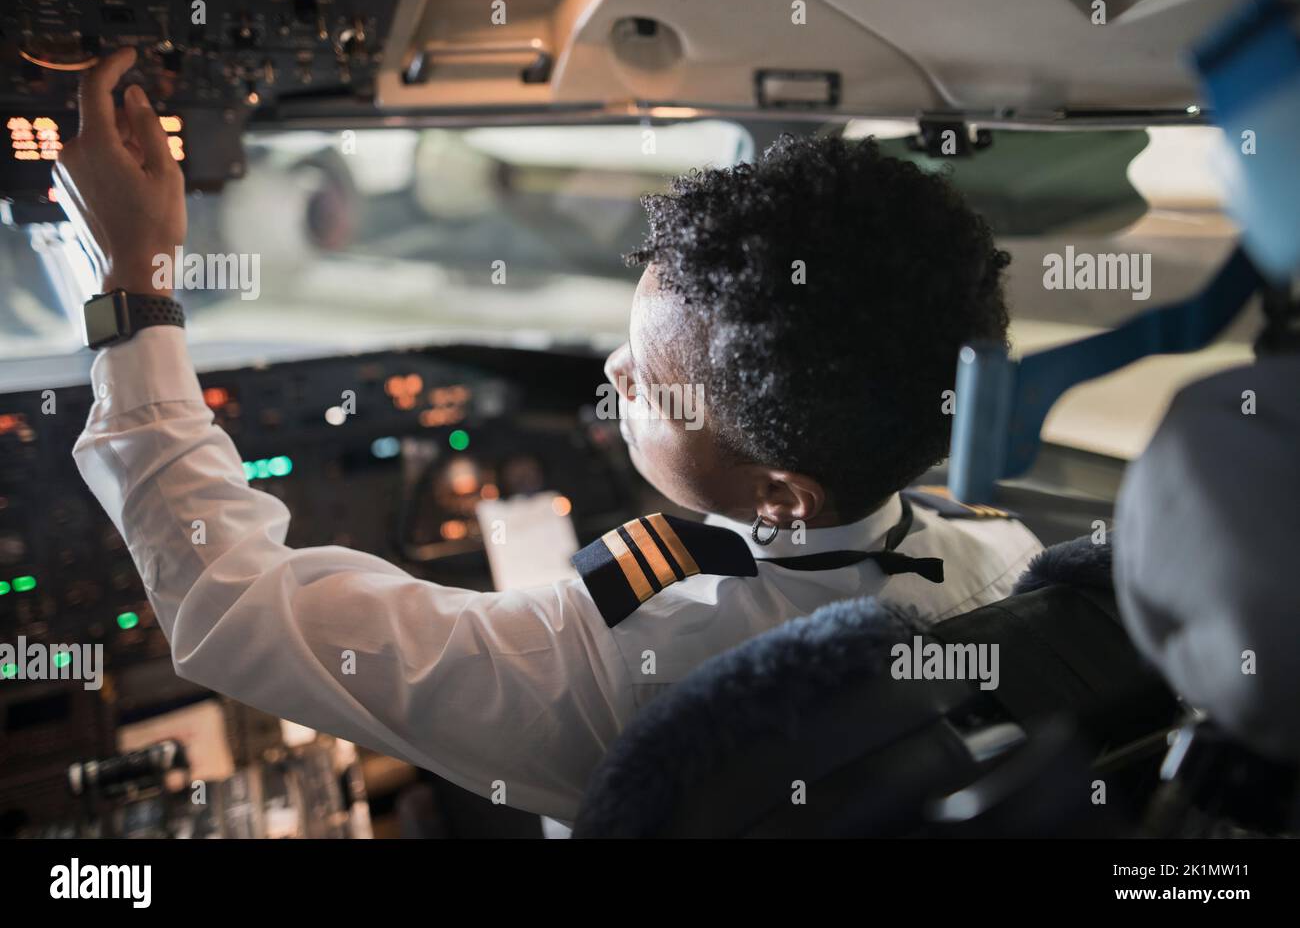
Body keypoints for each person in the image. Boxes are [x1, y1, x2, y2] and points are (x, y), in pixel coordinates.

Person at [62, 48, 1041, 821]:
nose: (611, 373)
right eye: (628, 334)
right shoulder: (1010, 557)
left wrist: (132, 280)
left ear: (782, 493)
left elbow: (235, 605)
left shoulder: (614, 668)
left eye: (651, 386)